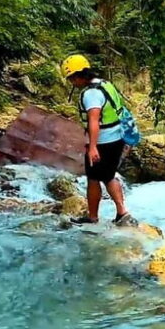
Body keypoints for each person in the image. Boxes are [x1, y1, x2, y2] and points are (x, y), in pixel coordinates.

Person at [61, 54, 133, 225]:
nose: (72, 83)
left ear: (78, 76)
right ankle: (109, 214)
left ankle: (110, 215)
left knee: (100, 178)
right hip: (117, 137)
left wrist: (92, 147)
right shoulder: (104, 84)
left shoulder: (91, 94)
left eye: (71, 79)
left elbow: (94, 120)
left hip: (103, 142)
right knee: (102, 176)